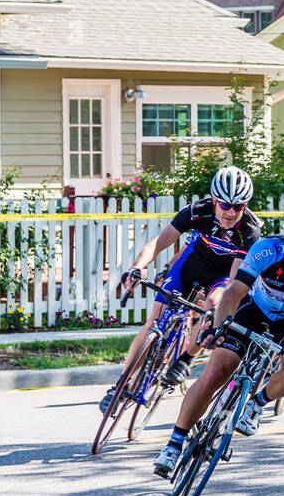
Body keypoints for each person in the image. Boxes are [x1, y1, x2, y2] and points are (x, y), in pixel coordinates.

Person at [152, 200, 284, 478]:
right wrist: (218, 329)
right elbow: (233, 293)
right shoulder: (268, 248)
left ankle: (258, 402)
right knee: (217, 371)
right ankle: (174, 443)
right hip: (253, 310)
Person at [102, 166, 260, 412]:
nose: (231, 212)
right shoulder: (198, 211)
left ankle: (187, 357)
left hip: (222, 274)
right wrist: (136, 268)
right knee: (153, 323)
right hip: (193, 263)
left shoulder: (249, 230)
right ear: (215, 200)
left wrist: (219, 309)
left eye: (238, 206)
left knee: (213, 306)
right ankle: (120, 385)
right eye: (225, 205)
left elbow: (233, 280)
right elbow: (159, 242)